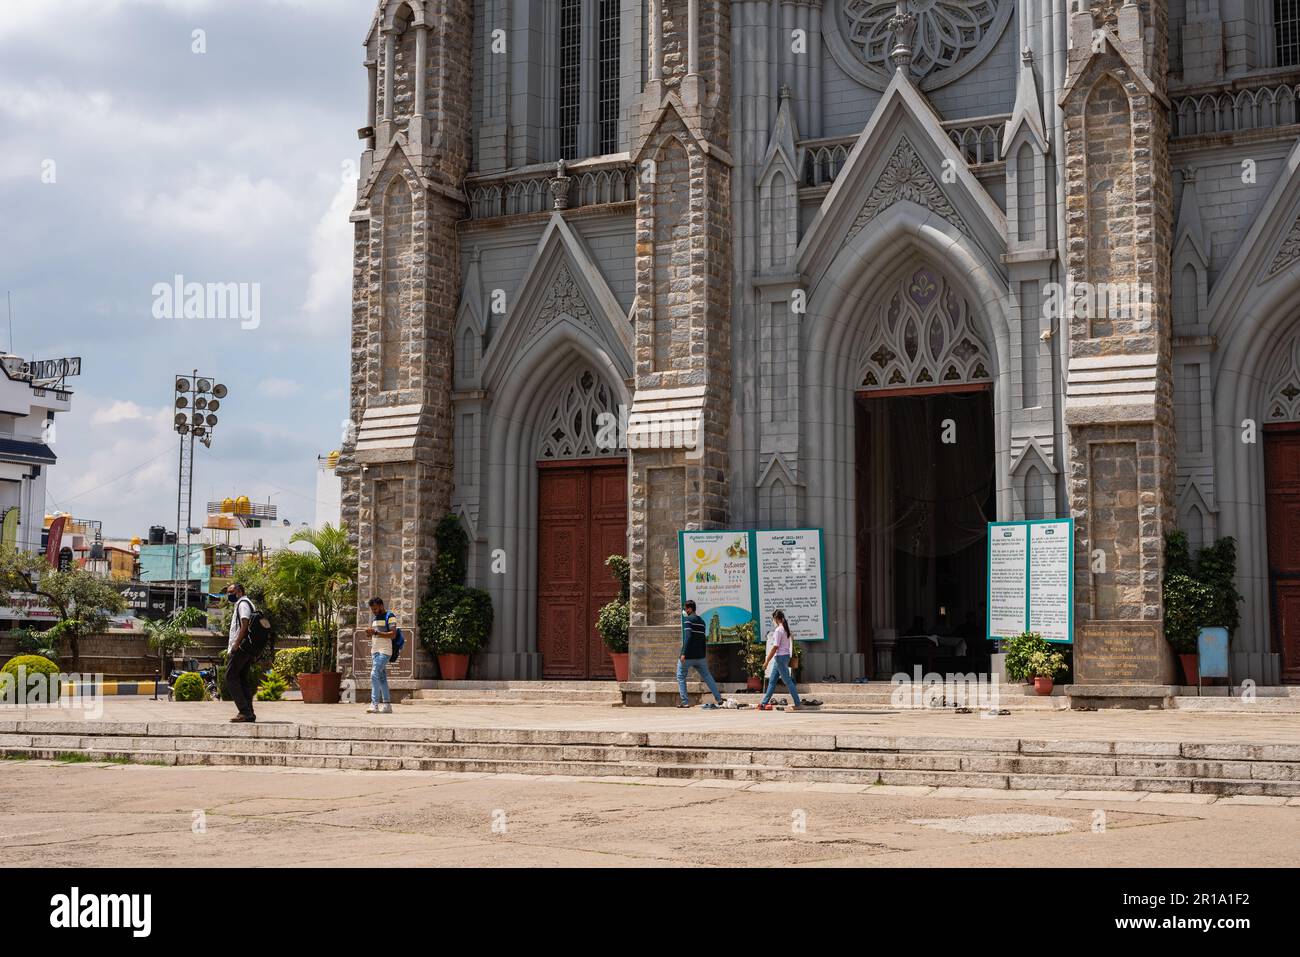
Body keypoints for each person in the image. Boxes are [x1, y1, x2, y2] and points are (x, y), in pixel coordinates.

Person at [677, 600, 725, 709]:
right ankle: (719, 699)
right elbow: (703, 639)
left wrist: (683, 653)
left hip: (688, 656)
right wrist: (703, 654)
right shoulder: (702, 622)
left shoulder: (688, 621)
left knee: (680, 676)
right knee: (707, 676)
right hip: (700, 656)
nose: (685, 611)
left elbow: (688, 637)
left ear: (689, 609)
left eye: (685, 609)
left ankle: (685, 702)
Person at [224, 583, 257, 723]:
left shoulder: (243, 603)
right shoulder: (247, 603)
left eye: (230, 592)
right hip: (247, 648)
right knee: (242, 679)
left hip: (241, 648)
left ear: (238, 591)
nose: (228, 595)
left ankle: (244, 711)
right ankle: (249, 713)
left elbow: (245, 624)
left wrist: (236, 644)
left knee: (230, 677)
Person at [759, 609, 802, 710]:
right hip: (784, 657)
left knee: (787, 681)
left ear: (776, 619)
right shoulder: (785, 629)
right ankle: (764, 703)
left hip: (780, 658)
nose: (773, 621)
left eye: (773, 619)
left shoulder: (779, 630)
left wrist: (766, 661)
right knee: (772, 681)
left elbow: (775, 647)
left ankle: (798, 703)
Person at [365, 597, 397, 714]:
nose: (374, 611)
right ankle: (387, 705)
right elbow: (376, 634)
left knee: (374, 673)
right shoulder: (375, 618)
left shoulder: (390, 616)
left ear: (381, 605)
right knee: (382, 678)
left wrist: (376, 632)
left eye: (375, 608)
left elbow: (393, 635)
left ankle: (374, 704)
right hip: (375, 651)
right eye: (372, 609)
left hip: (385, 651)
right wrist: (370, 633)